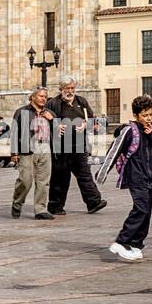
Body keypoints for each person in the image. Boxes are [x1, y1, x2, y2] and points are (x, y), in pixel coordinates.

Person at [106, 94, 152, 262]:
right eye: (144, 115)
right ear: (136, 115)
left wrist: (151, 134)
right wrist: (103, 172)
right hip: (135, 176)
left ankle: (137, 245)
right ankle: (121, 241)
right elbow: (114, 150)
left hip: (150, 177)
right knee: (141, 209)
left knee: (147, 212)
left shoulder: (149, 131)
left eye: (150, 114)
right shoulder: (129, 130)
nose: (148, 118)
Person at [45, 76, 107, 217]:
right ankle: (55, 206)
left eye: (72, 88)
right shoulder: (53, 103)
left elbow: (92, 120)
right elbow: (43, 119)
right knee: (60, 178)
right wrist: (55, 125)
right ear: (61, 89)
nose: (70, 91)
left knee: (85, 175)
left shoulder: (81, 102)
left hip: (79, 145)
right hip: (61, 148)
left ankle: (94, 202)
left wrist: (86, 124)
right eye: (67, 88)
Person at [9, 86, 54, 219]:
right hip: (27, 149)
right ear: (33, 97)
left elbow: (59, 132)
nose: (43, 99)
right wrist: (14, 153)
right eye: (41, 96)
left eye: (45, 97)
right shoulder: (21, 112)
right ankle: (17, 203)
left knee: (43, 181)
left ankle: (40, 209)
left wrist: (52, 119)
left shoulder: (49, 113)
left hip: (45, 148)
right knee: (25, 180)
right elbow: (14, 133)